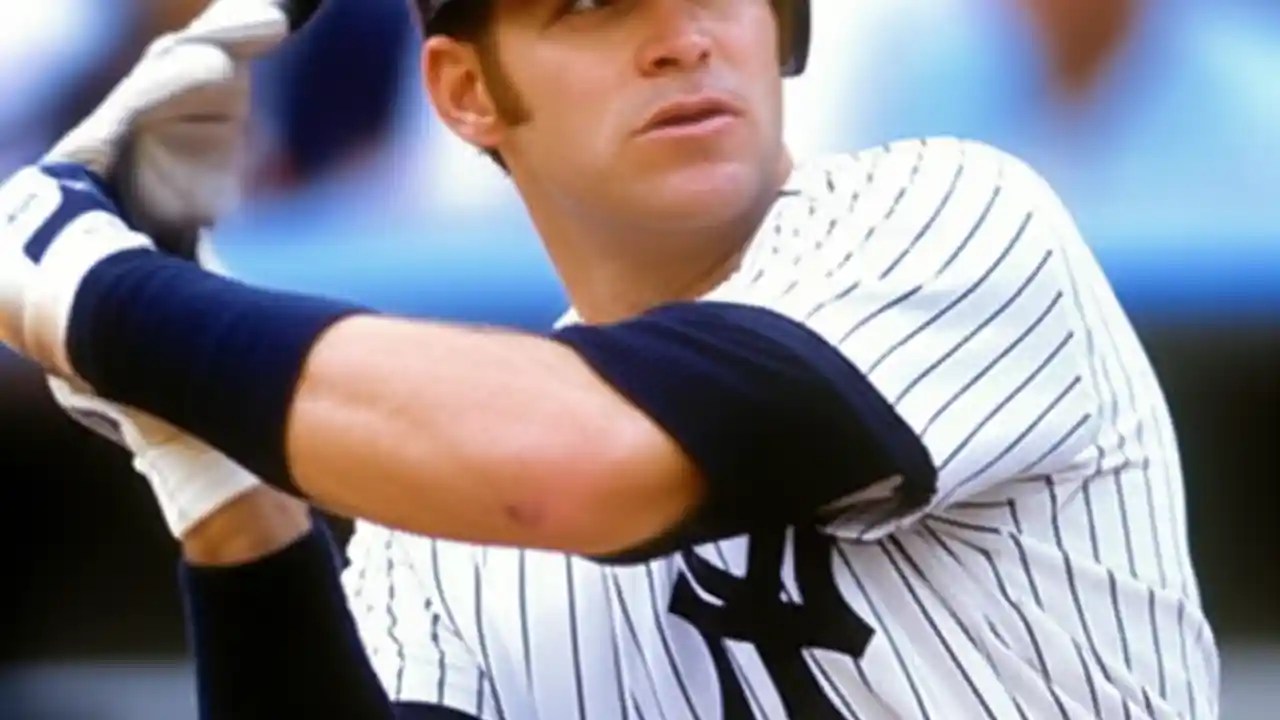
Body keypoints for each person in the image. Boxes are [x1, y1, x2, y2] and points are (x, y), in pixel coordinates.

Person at [1, 0, 1218, 718]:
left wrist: (96, 290)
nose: (678, 37)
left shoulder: (955, 215)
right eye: (589, 2)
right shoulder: (435, 524)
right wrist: (232, 508)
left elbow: (567, 461)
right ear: (466, 91)